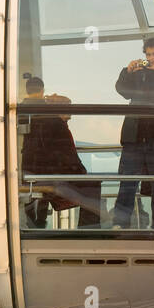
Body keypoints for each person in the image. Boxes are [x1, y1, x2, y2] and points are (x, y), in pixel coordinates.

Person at [20, 76, 100, 229]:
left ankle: (36, 225)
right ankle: (89, 228)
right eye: (68, 107)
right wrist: (81, 173)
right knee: (92, 186)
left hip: (29, 172)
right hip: (51, 175)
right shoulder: (55, 123)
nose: (71, 113)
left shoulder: (25, 115)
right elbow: (67, 155)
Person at [113, 36, 154, 229]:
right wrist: (127, 72)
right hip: (134, 137)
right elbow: (122, 90)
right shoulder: (138, 72)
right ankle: (120, 224)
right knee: (127, 181)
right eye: (148, 54)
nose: (151, 58)